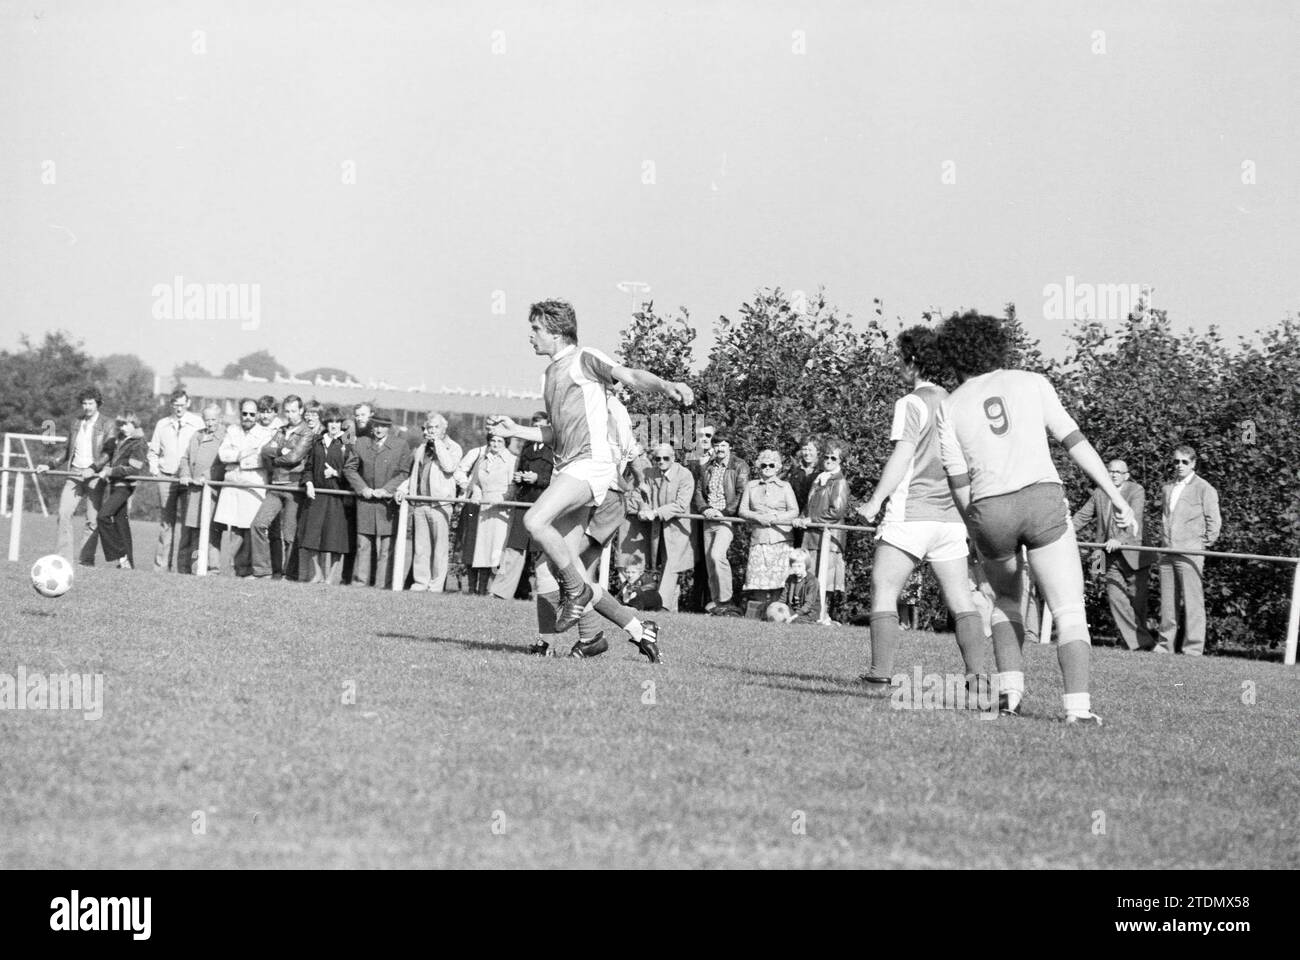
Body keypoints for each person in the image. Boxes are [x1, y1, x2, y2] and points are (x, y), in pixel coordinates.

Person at [934, 311, 1136, 724]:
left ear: (954, 355)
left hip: (990, 510)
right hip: (1041, 500)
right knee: (1068, 609)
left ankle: (1009, 698)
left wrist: (976, 532)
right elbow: (1075, 442)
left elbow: (959, 485)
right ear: (996, 345)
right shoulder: (1031, 382)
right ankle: (1077, 710)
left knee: (1006, 601)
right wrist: (1117, 497)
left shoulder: (949, 407)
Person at [486, 299, 693, 663]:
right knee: (564, 566)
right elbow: (555, 433)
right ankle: (635, 629)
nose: (530, 335)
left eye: (534, 328)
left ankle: (563, 620)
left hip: (593, 468)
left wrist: (666, 384)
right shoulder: (548, 375)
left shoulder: (584, 358)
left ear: (555, 330)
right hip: (571, 469)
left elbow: (629, 375)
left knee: (535, 522)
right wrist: (515, 428)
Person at [854, 326, 985, 692]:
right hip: (951, 520)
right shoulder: (957, 403)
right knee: (961, 599)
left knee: (883, 589)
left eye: (900, 358)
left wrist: (875, 499)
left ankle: (880, 676)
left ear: (913, 362)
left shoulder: (911, 403)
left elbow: (903, 455)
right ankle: (977, 678)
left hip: (911, 515)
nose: (897, 365)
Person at [1072, 458, 1155, 651]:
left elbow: (1135, 518)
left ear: (1126, 475)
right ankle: (1142, 643)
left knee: (1137, 603)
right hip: (1108, 556)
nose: (1114, 475)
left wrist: (1120, 539)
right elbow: (1082, 516)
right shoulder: (1100, 492)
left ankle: (1133, 642)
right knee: (1115, 598)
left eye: (1118, 472)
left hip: (1135, 554)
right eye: (1110, 471)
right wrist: (1064, 530)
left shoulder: (1136, 490)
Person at [1156, 445, 1222, 655]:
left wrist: (1201, 544)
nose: (1180, 466)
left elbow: (1214, 521)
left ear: (1193, 463)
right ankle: (1165, 645)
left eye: (1184, 462)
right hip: (1167, 551)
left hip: (1190, 553)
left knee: (1193, 601)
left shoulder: (1205, 488)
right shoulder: (1167, 488)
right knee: (1167, 603)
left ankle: (1193, 648)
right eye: (1176, 461)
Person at [36, 387, 114, 564]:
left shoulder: (107, 423)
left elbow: (108, 452)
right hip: (74, 474)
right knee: (63, 514)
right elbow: (67, 450)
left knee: (92, 520)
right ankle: (63, 559)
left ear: (98, 403)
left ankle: (86, 561)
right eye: (84, 403)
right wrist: (49, 464)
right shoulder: (76, 422)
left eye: (90, 403)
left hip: (95, 476)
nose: (87, 407)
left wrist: (93, 468)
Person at [345, 410, 413, 588]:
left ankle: (382, 584)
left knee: (387, 547)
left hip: (387, 504)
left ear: (389, 428)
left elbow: (405, 473)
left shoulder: (401, 445)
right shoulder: (360, 443)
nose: (379, 429)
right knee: (363, 545)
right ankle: (360, 582)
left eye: (383, 426)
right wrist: (362, 488)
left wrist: (387, 490)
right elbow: (349, 469)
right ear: (371, 426)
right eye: (375, 425)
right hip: (365, 502)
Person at [623, 442, 694, 613]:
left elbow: (682, 504)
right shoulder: (650, 472)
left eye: (665, 458)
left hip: (678, 529)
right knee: (655, 567)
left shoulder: (685, 475)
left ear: (674, 458)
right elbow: (641, 494)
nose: (661, 461)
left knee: (672, 565)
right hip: (657, 528)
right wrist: (643, 507)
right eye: (657, 458)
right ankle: (648, 601)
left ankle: (662, 605)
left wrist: (655, 512)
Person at [250, 395, 315, 580]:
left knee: (289, 535)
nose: (290, 415)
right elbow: (265, 450)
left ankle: (290, 574)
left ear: (301, 411)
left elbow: (295, 457)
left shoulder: (307, 433)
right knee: (257, 525)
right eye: (287, 411)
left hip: (294, 487)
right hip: (276, 485)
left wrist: (277, 458)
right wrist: (281, 452)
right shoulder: (281, 430)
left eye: (294, 411)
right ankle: (262, 571)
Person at [396, 413, 463, 592]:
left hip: (440, 504)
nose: (431, 431)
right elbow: (415, 474)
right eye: (429, 428)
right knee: (420, 548)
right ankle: (420, 582)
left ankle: (436, 585)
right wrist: (403, 489)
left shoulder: (453, 447)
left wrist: (438, 444)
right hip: (420, 503)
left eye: (435, 428)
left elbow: (449, 466)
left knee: (439, 549)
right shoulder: (421, 448)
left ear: (443, 429)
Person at [490, 412, 554, 599]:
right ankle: (502, 592)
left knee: (541, 551)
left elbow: (557, 477)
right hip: (523, 499)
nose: (537, 429)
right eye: (534, 425)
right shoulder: (526, 447)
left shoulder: (554, 448)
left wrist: (538, 479)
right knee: (514, 548)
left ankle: (542, 593)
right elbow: (518, 471)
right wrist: (519, 478)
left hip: (543, 502)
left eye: (541, 425)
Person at [214, 398, 275, 577]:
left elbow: (260, 459)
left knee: (250, 530)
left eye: (251, 414)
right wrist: (241, 454)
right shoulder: (232, 430)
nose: (248, 417)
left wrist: (239, 459)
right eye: (245, 413)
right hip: (233, 485)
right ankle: (235, 568)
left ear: (256, 415)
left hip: (252, 485)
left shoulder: (265, 433)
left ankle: (248, 570)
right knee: (235, 530)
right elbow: (223, 455)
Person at [146, 387, 205, 573]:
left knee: (188, 524)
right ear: (171, 404)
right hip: (167, 477)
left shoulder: (197, 423)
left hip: (188, 479)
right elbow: (153, 451)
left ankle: (184, 567)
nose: (179, 409)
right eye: (175, 405)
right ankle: (161, 567)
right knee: (166, 523)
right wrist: (155, 470)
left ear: (188, 403)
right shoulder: (162, 424)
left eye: (182, 405)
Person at [692, 433, 750, 614]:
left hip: (726, 520)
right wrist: (704, 509)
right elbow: (699, 491)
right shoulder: (708, 466)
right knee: (710, 561)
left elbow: (741, 493)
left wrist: (723, 512)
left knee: (718, 555)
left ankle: (727, 599)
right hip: (708, 518)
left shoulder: (739, 466)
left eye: (723, 445)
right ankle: (718, 602)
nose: (720, 449)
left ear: (730, 447)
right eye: (716, 445)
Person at [300, 406, 358, 585]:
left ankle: (331, 577)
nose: (334, 425)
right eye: (330, 422)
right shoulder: (318, 440)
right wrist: (308, 483)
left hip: (337, 497)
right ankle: (317, 574)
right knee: (312, 537)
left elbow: (353, 468)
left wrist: (336, 473)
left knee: (334, 539)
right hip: (317, 496)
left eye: (337, 422)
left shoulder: (347, 440)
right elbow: (308, 467)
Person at [454, 432, 516, 594]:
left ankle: (494, 589)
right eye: (493, 441)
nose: (495, 444)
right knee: (481, 548)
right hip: (483, 508)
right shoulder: (483, 459)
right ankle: (477, 589)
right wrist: (476, 492)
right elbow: (476, 482)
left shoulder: (511, 460)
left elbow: (513, 486)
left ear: (506, 442)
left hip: (501, 509)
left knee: (496, 549)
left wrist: (502, 498)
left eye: (499, 441)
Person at [738, 448, 800, 609]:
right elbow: (742, 510)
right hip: (759, 537)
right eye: (764, 464)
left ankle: (776, 611)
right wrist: (758, 517)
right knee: (758, 579)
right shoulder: (751, 486)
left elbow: (794, 511)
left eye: (771, 465)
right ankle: (760, 611)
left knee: (779, 580)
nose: (767, 468)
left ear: (778, 467)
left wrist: (775, 518)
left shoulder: (785, 486)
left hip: (780, 538)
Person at [796, 439, 849, 622]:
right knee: (811, 575)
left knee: (825, 579)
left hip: (829, 537)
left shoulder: (839, 481)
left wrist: (812, 520)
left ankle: (823, 614)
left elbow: (837, 511)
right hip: (812, 535)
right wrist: (802, 518)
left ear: (840, 461)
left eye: (833, 458)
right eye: (826, 457)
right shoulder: (819, 479)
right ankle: (812, 613)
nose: (828, 460)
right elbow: (809, 505)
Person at [94, 413, 148, 570]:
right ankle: (128, 564)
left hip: (125, 486)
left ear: (134, 425)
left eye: (125, 424)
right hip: (114, 484)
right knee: (121, 523)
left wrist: (110, 471)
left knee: (103, 516)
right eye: (120, 424)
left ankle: (120, 554)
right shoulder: (119, 438)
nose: (121, 427)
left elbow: (134, 468)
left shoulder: (139, 443)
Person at [177, 403, 226, 574]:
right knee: (193, 531)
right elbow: (184, 458)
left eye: (213, 419)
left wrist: (207, 477)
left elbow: (223, 463)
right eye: (207, 419)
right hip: (194, 491)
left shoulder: (224, 436)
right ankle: (192, 567)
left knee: (211, 531)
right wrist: (184, 474)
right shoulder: (196, 435)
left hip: (211, 492)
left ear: (220, 419)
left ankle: (213, 569)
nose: (210, 423)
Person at [684, 421, 715, 610]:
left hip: (712, 514)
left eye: (708, 436)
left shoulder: (719, 458)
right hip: (693, 515)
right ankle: (695, 603)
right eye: (700, 435)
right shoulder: (691, 458)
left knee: (711, 558)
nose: (704, 439)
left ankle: (712, 602)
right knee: (696, 560)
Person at [786, 436, 820, 547]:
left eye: (810, 449)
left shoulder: (822, 472)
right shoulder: (795, 471)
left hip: (813, 519)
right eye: (804, 449)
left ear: (817, 450)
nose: (807, 453)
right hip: (795, 521)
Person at [776, 549, 822, 623]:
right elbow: (783, 599)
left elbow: (809, 604)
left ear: (806, 565)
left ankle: (822, 622)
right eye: (794, 567)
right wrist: (776, 608)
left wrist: (794, 616)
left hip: (809, 613)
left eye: (799, 566)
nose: (796, 570)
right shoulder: (790, 579)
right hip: (793, 611)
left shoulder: (812, 581)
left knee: (795, 621)